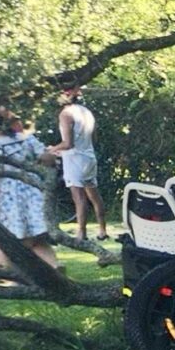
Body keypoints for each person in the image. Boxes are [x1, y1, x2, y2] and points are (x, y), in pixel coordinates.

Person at [0, 105, 62, 272]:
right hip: (31, 192)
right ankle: (54, 267)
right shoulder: (26, 139)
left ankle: (12, 274)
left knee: (10, 241)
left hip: (5, 197)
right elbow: (47, 158)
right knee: (37, 239)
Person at [46, 86, 102, 243]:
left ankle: (81, 233)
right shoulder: (86, 112)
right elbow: (93, 138)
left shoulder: (66, 114)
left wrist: (51, 150)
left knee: (79, 197)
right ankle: (102, 230)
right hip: (89, 157)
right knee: (94, 196)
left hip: (75, 160)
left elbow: (68, 143)